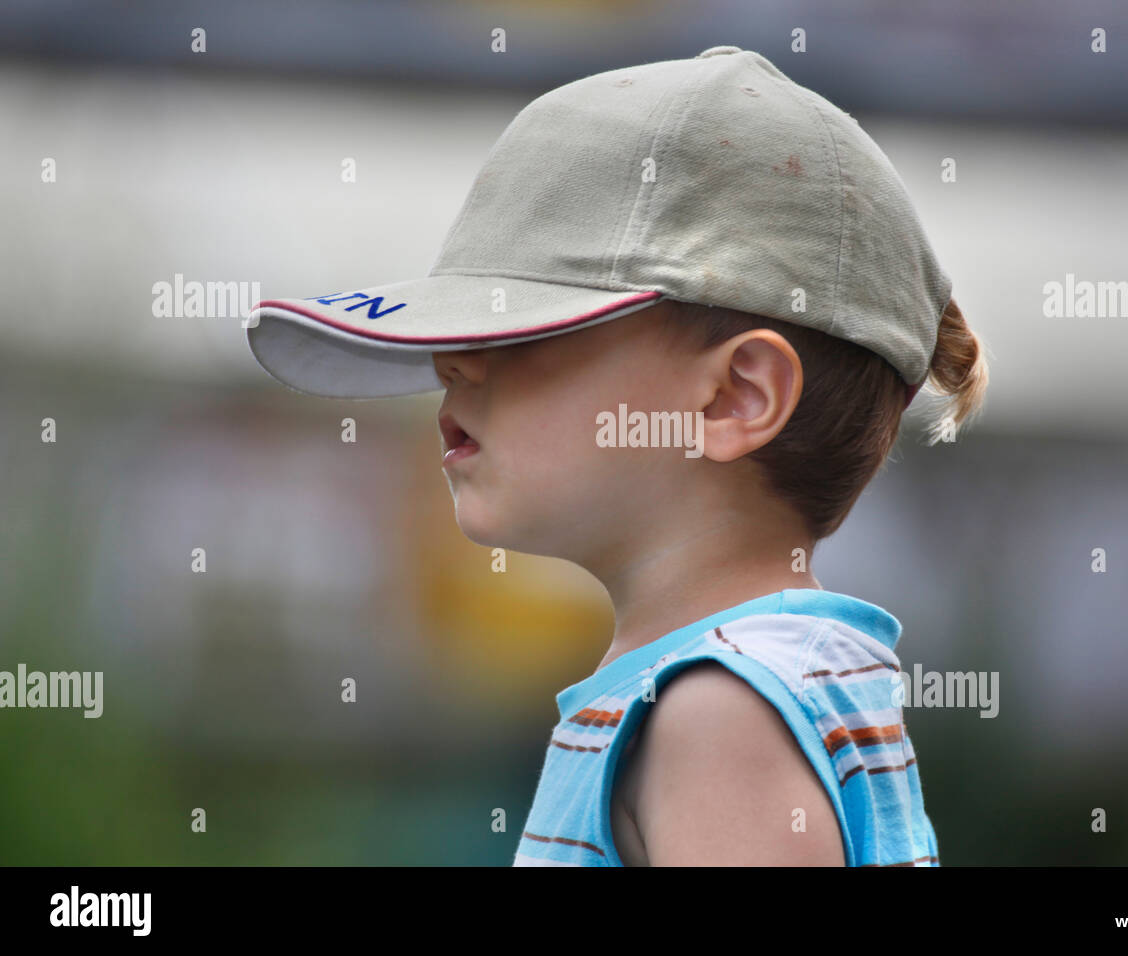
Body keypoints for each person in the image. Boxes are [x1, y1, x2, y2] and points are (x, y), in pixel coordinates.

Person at [245, 45, 988, 866]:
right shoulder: (753, 682)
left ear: (736, 397)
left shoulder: (719, 708)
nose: (452, 363)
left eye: (524, 327)